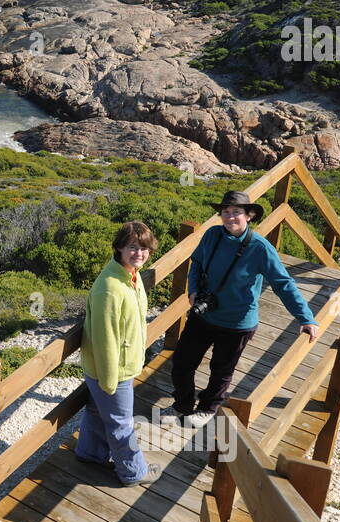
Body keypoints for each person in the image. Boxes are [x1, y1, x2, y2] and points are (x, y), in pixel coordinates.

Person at [162, 191, 321, 428]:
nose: (229, 217)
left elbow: (283, 284)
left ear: (249, 215)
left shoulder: (260, 248)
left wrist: (306, 318)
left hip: (237, 322)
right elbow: (196, 262)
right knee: (183, 362)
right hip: (204, 312)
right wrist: (193, 290)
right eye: (225, 212)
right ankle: (182, 404)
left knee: (221, 370)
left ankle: (207, 408)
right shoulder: (212, 234)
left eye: (236, 212)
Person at [78, 221, 162, 486]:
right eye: (133, 247)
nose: (139, 253)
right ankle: (132, 472)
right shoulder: (110, 287)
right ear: (119, 248)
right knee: (121, 423)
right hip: (113, 371)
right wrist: (109, 381)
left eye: (144, 248)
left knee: (95, 410)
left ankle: (90, 453)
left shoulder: (130, 275)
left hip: (114, 368)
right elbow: (105, 339)